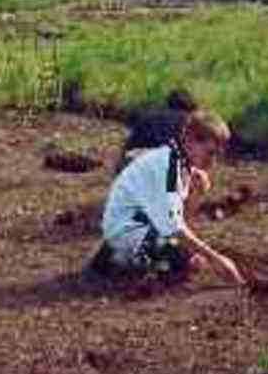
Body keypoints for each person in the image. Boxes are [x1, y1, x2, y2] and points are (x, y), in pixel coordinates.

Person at [90, 109, 246, 285]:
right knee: (175, 268)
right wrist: (217, 260)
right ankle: (117, 261)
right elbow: (173, 226)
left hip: (141, 225)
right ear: (188, 141)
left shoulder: (183, 165)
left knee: (183, 260)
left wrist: (196, 195)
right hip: (125, 230)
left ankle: (146, 256)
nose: (213, 161)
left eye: (217, 155)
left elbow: (178, 219)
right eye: (210, 153)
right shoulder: (169, 168)